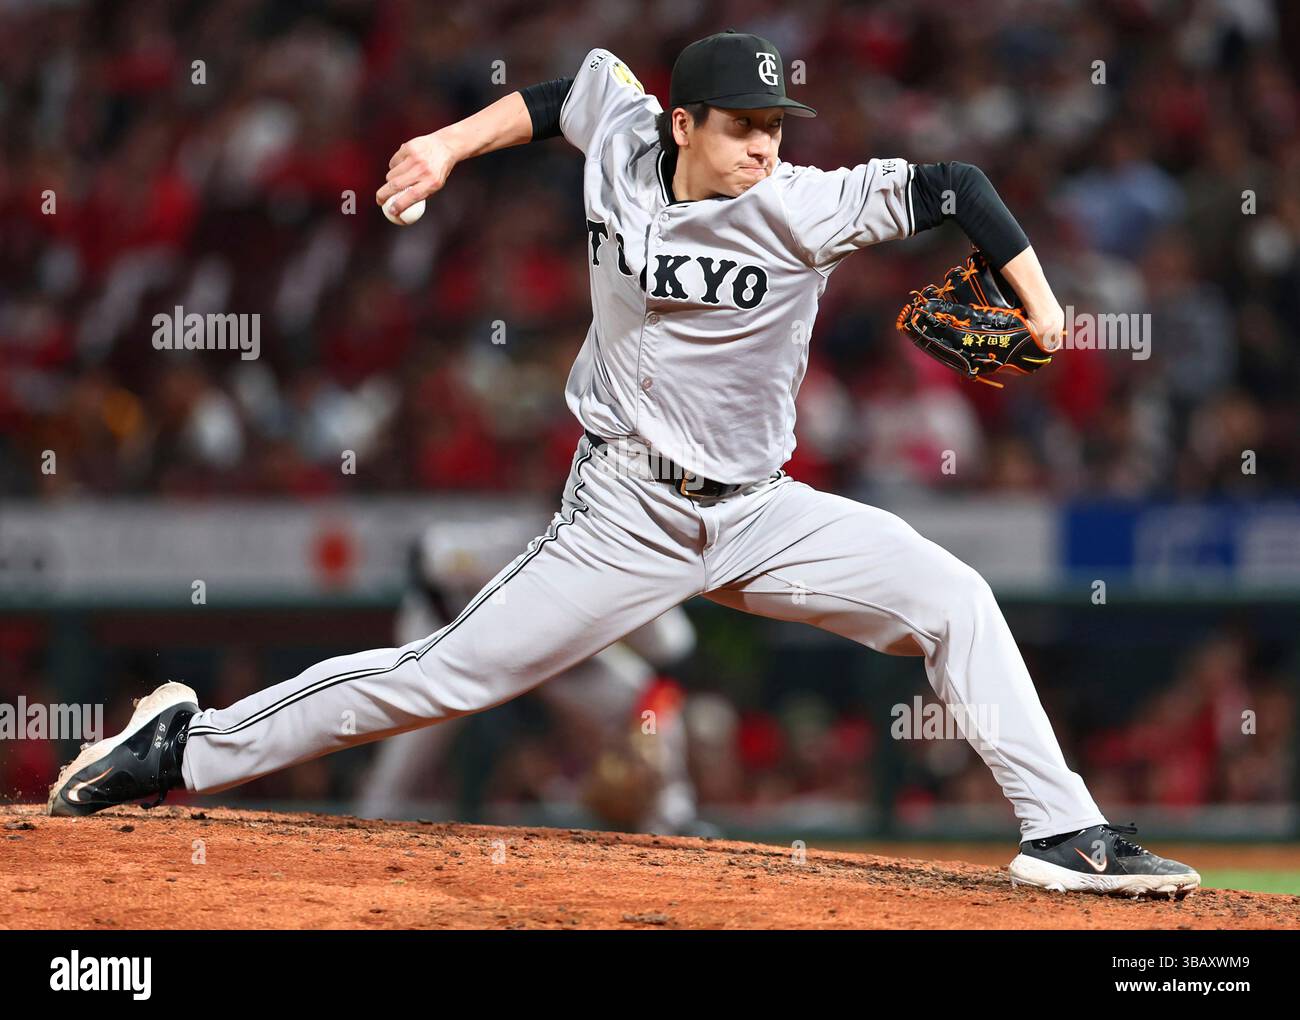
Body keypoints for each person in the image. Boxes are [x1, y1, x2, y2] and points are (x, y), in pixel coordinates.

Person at [50, 29, 1199, 898]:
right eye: (742, 123)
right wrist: (446, 149)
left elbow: (957, 188)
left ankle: (1063, 834)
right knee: (444, 675)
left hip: (763, 511)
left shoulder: (806, 204)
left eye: (777, 125)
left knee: (953, 597)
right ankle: (183, 746)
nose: (764, 143)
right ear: (684, 121)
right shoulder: (623, 125)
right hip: (624, 511)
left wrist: (1039, 310)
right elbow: (552, 103)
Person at [353, 519, 701, 833]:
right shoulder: (520, 543)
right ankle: (371, 820)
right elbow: (425, 559)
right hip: (464, 648)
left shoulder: (623, 570)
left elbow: (674, 659)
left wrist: (647, 727)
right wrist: (459, 637)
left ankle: (672, 819)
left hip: (557, 665)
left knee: (645, 703)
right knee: (413, 740)